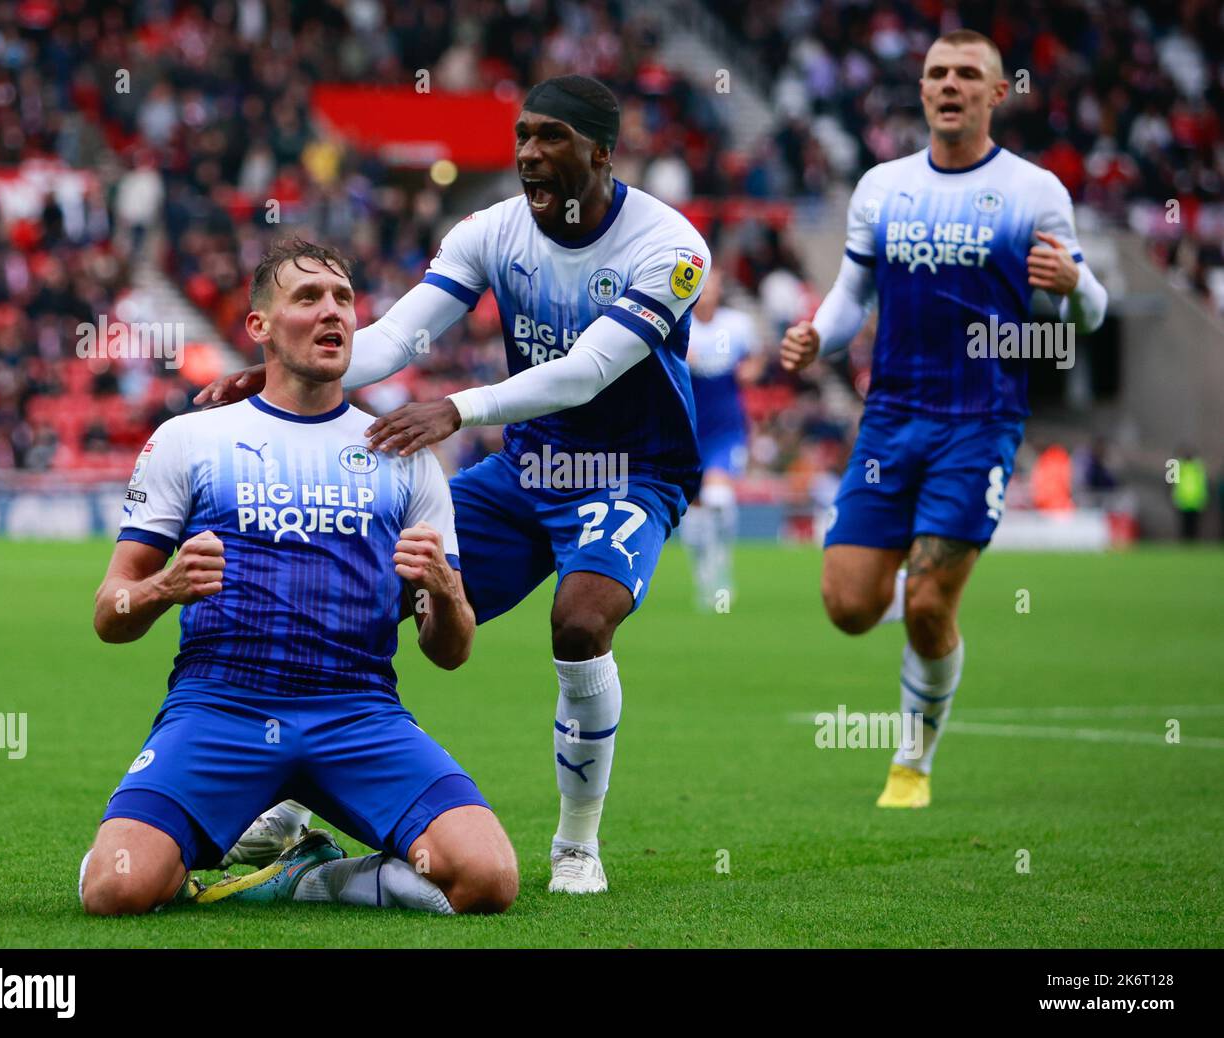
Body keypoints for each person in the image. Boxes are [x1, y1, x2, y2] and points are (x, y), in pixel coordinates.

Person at [196, 75, 711, 894]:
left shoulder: (672, 248)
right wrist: (275, 369)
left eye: (550, 138)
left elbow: (584, 373)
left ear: (602, 153)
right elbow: (397, 336)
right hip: (524, 471)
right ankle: (291, 796)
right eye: (522, 137)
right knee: (367, 589)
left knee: (580, 623)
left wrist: (458, 409)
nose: (528, 155)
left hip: (629, 475)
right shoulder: (491, 231)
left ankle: (577, 843)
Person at [79, 239, 517, 916]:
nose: (331, 312)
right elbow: (111, 613)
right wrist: (166, 587)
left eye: (343, 297)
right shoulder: (190, 440)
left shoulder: (404, 454)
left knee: (488, 879)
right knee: (116, 889)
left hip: (358, 712)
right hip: (223, 707)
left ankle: (311, 877)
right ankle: (192, 840)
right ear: (259, 326)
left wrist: (446, 589)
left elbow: (450, 651)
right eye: (307, 297)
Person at [779, 30, 1108, 808]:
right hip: (890, 416)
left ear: (998, 93)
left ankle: (912, 763)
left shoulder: (1035, 192)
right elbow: (852, 295)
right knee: (850, 607)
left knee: (926, 604)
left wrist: (1073, 284)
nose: (950, 85)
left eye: (968, 74)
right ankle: (918, 574)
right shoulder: (883, 186)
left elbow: (1089, 313)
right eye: (937, 74)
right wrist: (814, 336)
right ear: (922, 91)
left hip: (980, 418)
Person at [678, 269, 761, 610]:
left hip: (726, 428)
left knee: (719, 497)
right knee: (694, 509)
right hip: (687, 427)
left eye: (713, 286)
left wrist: (750, 371)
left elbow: (755, 360)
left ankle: (722, 564)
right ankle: (703, 575)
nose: (707, 292)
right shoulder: (679, 325)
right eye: (702, 286)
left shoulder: (737, 325)